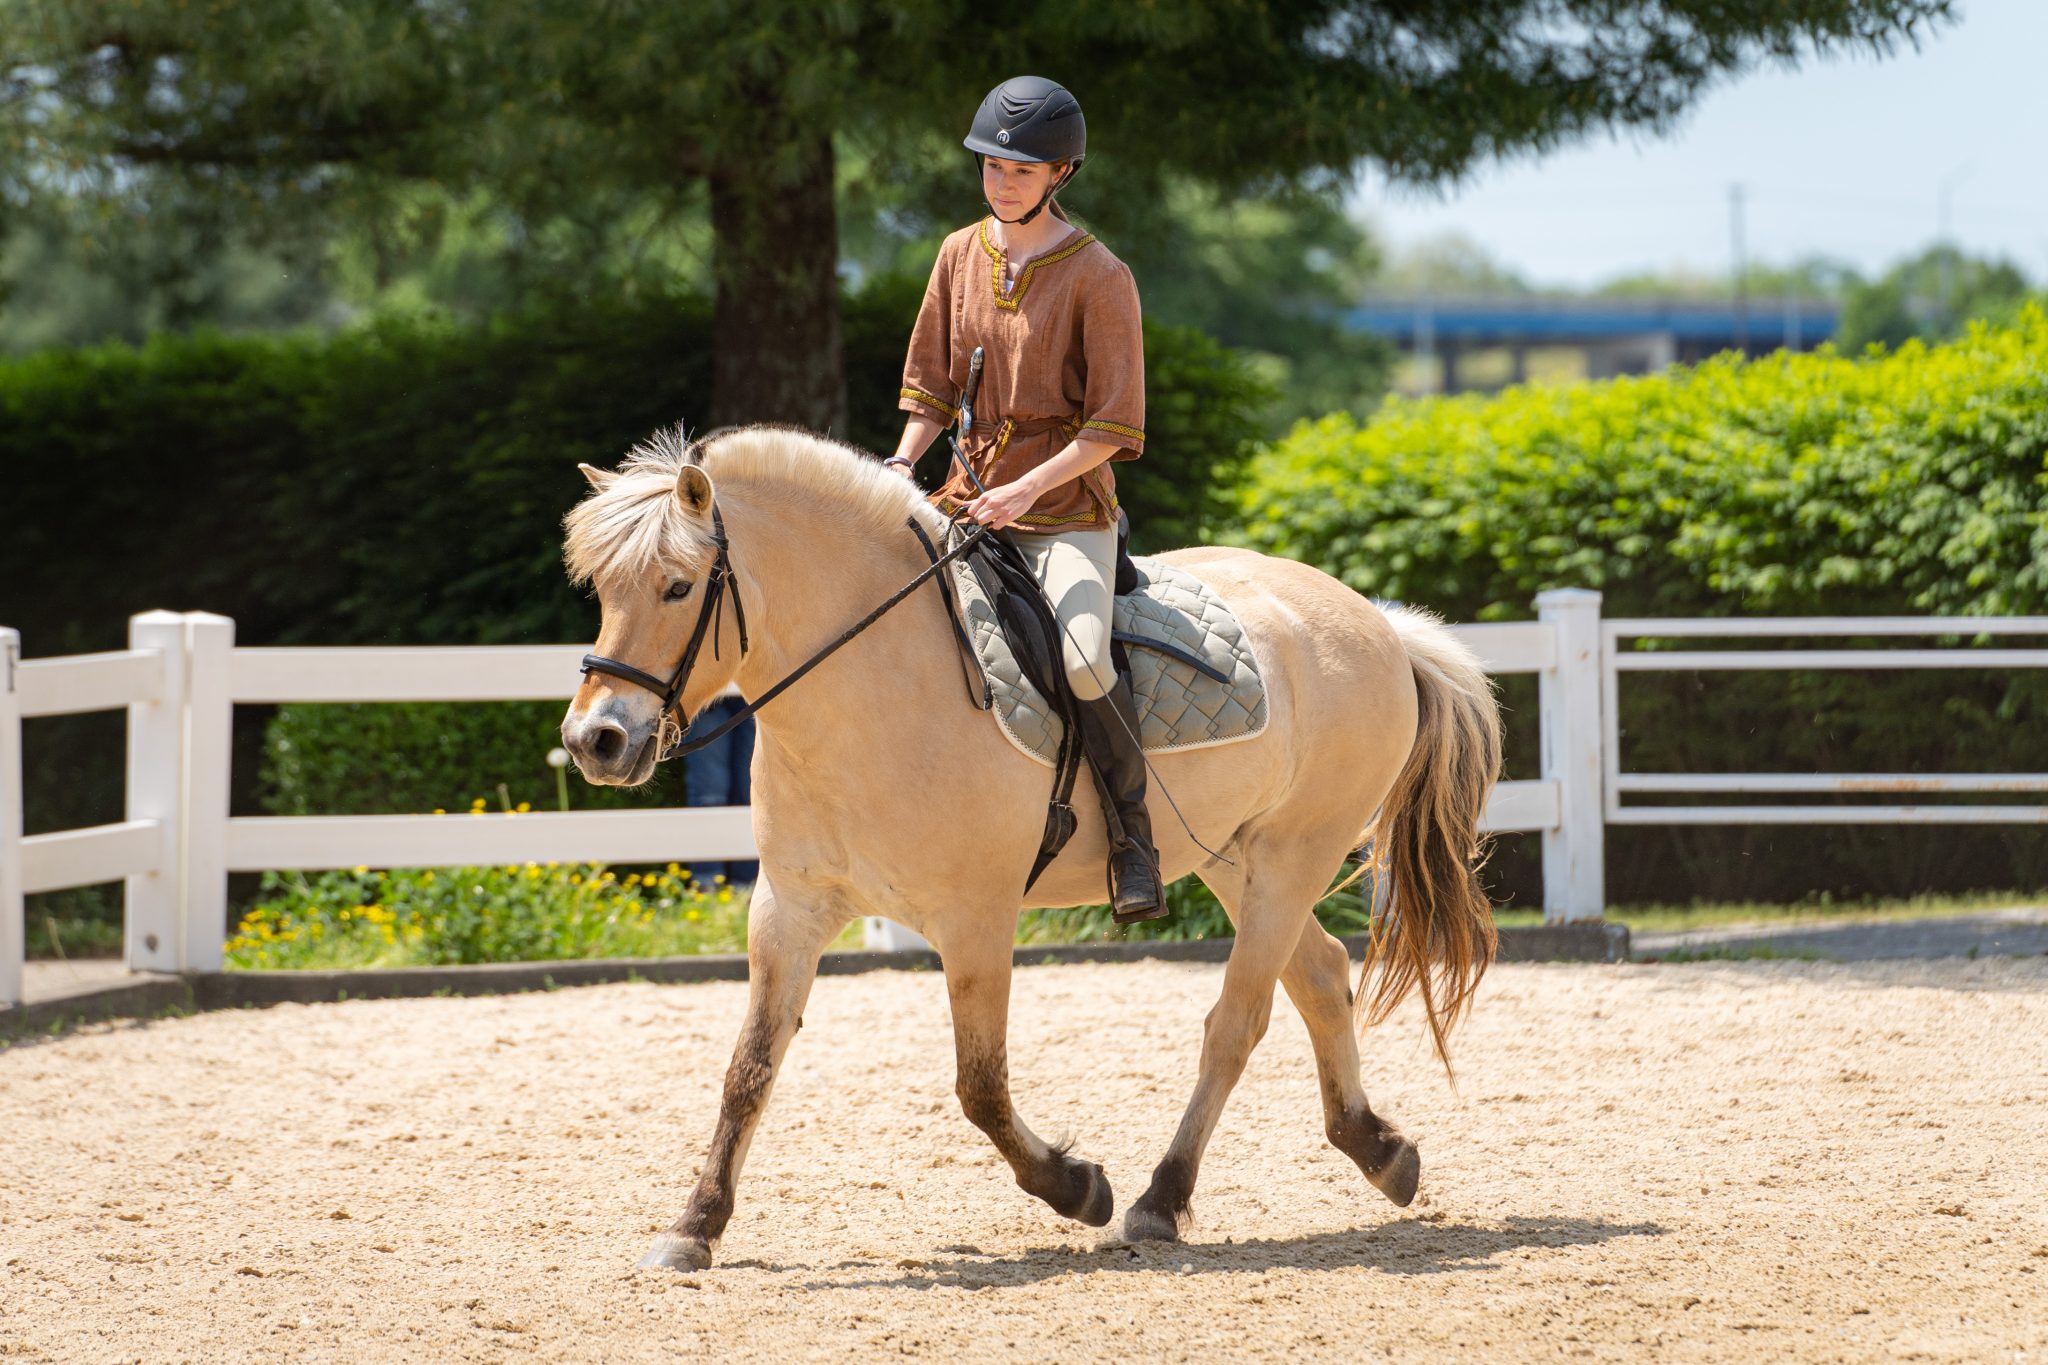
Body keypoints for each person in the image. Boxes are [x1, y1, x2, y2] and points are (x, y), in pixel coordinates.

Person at [885, 74, 1166, 923]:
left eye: (1021, 170)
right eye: (991, 167)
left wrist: (1025, 489)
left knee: (1083, 655)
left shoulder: (1101, 276)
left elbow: (1114, 427)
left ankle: (1132, 838)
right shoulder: (955, 255)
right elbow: (930, 388)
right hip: (962, 499)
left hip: (1064, 515)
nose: (1002, 182)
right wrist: (899, 465)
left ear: (1061, 173)